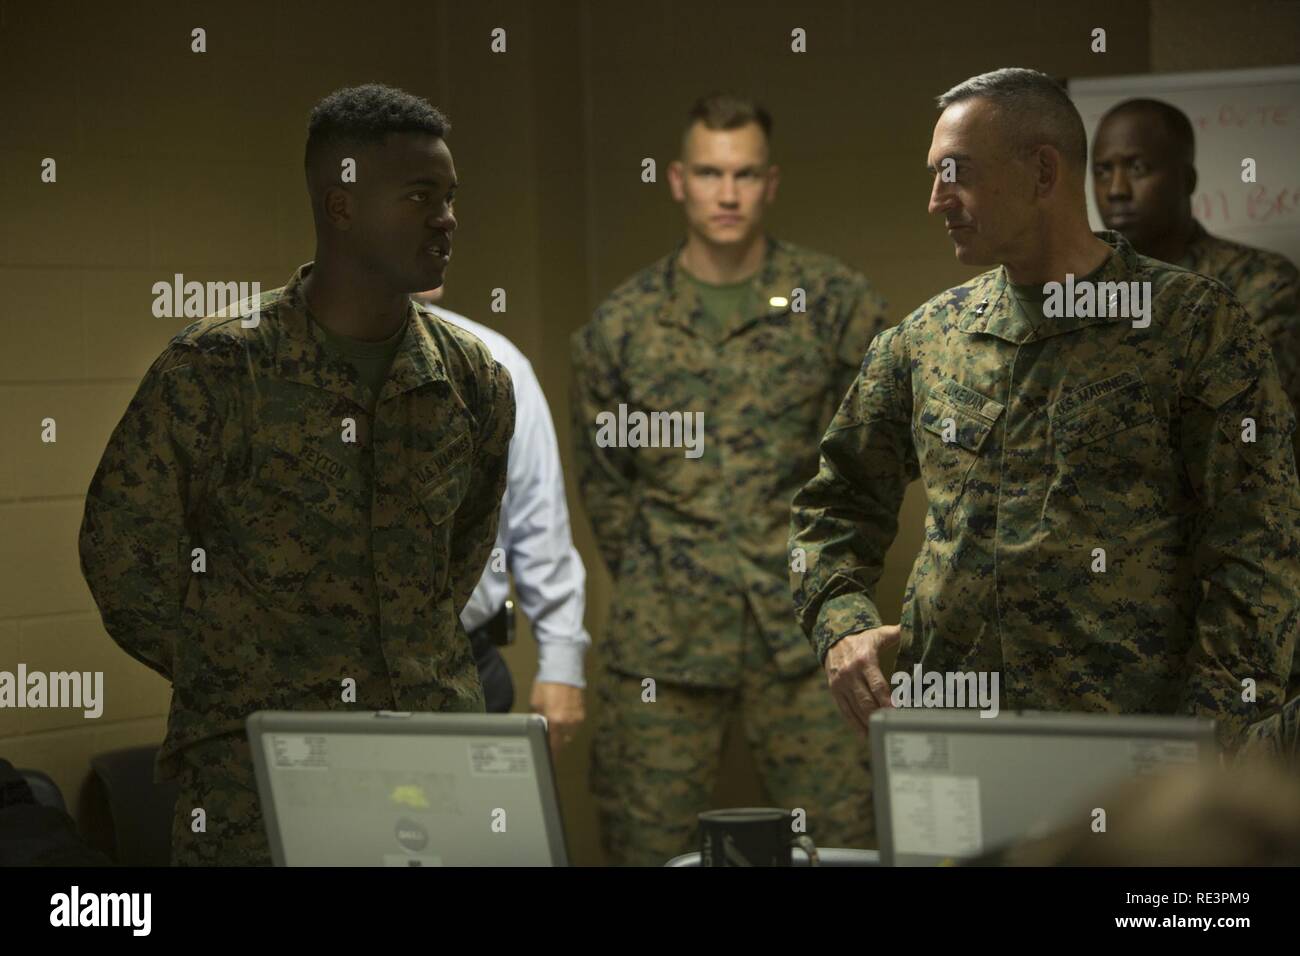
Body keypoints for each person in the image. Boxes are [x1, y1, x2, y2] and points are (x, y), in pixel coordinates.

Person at [790, 69, 1300, 758]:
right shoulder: (926, 339)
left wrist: (1206, 741)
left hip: (1131, 748)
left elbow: (1257, 551)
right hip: (954, 736)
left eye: (957, 173)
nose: (937, 200)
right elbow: (834, 508)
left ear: (1042, 172)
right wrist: (843, 624)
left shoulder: (1193, 328)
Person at [78, 84, 514, 866]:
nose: (446, 218)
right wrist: (238, 666)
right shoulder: (217, 368)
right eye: (421, 196)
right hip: (256, 774)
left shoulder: (471, 376)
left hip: (426, 759)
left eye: (449, 197)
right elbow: (122, 557)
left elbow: (462, 550)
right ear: (341, 206)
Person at [571, 92, 890, 865]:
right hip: (664, 641)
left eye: (744, 174)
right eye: (709, 173)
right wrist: (662, 570)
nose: (726, 193)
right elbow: (604, 481)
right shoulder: (623, 323)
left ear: (770, 183)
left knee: (845, 839)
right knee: (646, 844)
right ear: (678, 180)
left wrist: (839, 576)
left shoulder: (835, 303)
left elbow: (876, 459)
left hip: (807, 628)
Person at [412, 285, 590, 748]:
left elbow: (538, 519)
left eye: (446, 205)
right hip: (324, 675)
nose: (442, 220)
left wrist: (561, 659)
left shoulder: (490, 361)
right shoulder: (275, 351)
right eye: (415, 205)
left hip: (463, 665)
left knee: (473, 821)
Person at [1092, 97, 1300, 464]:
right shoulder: (1082, 291)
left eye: (1137, 168)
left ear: (1186, 180)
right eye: (1102, 171)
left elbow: (1247, 419)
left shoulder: (1262, 282)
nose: (1116, 190)